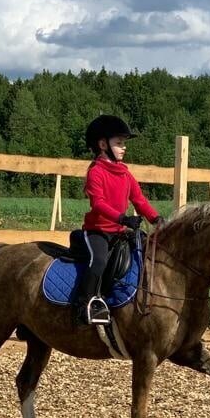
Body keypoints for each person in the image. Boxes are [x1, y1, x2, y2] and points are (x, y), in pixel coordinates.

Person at [73, 115, 164, 326]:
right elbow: (98, 204)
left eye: (124, 143)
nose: (124, 148)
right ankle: (84, 304)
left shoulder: (125, 173)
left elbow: (139, 199)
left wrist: (156, 218)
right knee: (99, 261)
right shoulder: (96, 172)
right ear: (103, 144)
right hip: (98, 231)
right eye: (119, 143)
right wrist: (122, 218)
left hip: (120, 231)